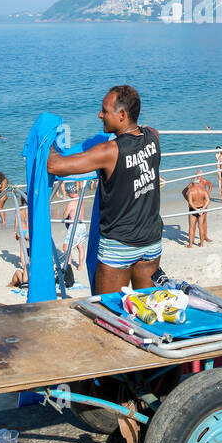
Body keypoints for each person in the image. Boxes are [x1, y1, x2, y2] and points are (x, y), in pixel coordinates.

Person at [46, 84, 162, 296]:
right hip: (151, 242)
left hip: (119, 246)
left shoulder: (110, 151)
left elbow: (55, 165)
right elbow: (143, 131)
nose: (100, 115)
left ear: (122, 115)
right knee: (148, 307)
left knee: (109, 309)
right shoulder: (154, 137)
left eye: (105, 111)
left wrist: (46, 138)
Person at [182, 171, 212, 248]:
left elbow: (190, 203)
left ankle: (190, 244)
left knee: (192, 227)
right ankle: (201, 244)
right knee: (201, 226)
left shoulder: (191, 191)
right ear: (198, 182)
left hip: (193, 209)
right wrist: (202, 209)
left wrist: (196, 209)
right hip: (201, 209)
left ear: (193, 182)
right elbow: (208, 200)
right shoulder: (203, 190)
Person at [62, 182, 86, 269]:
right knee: (80, 246)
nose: (68, 195)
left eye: (68, 193)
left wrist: (65, 215)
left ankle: (68, 266)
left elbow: (64, 215)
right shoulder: (81, 200)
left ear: (70, 193)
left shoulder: (71, 203)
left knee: (66, 247)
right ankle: (80, 266)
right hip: (82, 225)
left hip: (75, 226)